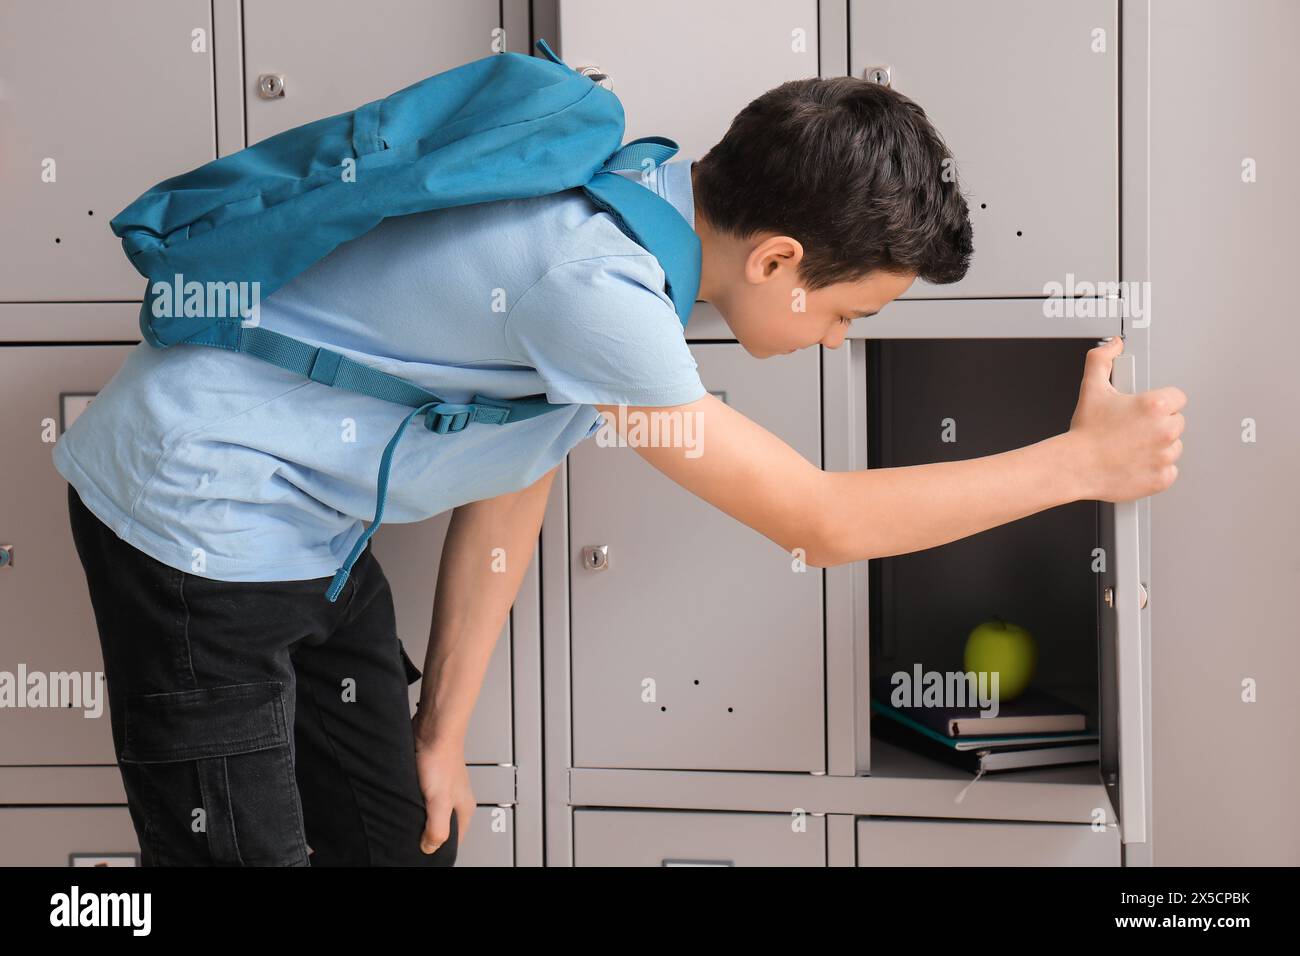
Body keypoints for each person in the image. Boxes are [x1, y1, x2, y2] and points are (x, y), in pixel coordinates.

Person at [54, 73, 1185, 866]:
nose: (840, 340)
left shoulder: (632, 196)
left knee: (399, 832)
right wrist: (1078, 462)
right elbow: (820, 518)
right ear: (779, 258)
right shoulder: (597, 287)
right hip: (195, 516)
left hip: (313, 528)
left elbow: (513, 480)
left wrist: (441, 736)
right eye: (848, 312)